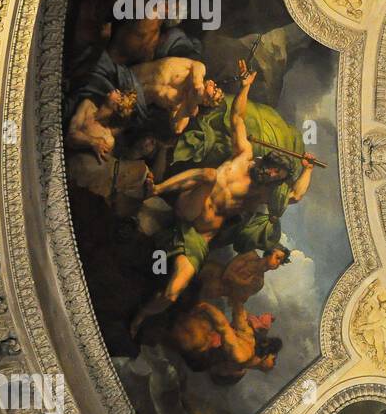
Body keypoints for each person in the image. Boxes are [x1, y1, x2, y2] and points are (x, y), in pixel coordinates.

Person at [130, 62, 316, 334]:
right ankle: (156, 189)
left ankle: (140, 318)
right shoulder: (244, 155)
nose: (272, 174)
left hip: (201, 234)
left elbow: (297, 196)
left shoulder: (262, 193)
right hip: (190, 206)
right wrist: (245, 87)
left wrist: (308, 169)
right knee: (208, 175)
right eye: (273, 168)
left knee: (173, 292)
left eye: (277, 175)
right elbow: (237, 117)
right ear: (267, 161)